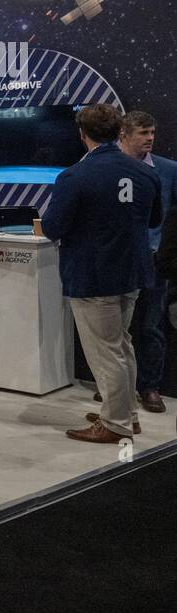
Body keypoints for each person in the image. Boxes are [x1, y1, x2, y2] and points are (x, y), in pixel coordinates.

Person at [42, 104, 162, 443]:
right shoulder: (146, 173)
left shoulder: (74, 176)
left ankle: (116, 424)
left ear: (82, 134)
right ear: (119, 131)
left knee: (107, 352)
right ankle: (127, 414)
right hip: (132, 274)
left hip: (93, 277)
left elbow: (52, 227)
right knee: (121, 346)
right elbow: (153, 221)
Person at [118, 111, 177, 414]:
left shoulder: (169, 170)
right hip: (119, 260)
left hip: (154, 261)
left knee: (151, 326)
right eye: (143, 133)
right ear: (124, 135)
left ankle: (150, 387)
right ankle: (117, 388)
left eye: (152, 132)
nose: (150, 138)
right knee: (117, 328)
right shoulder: (109, 168)